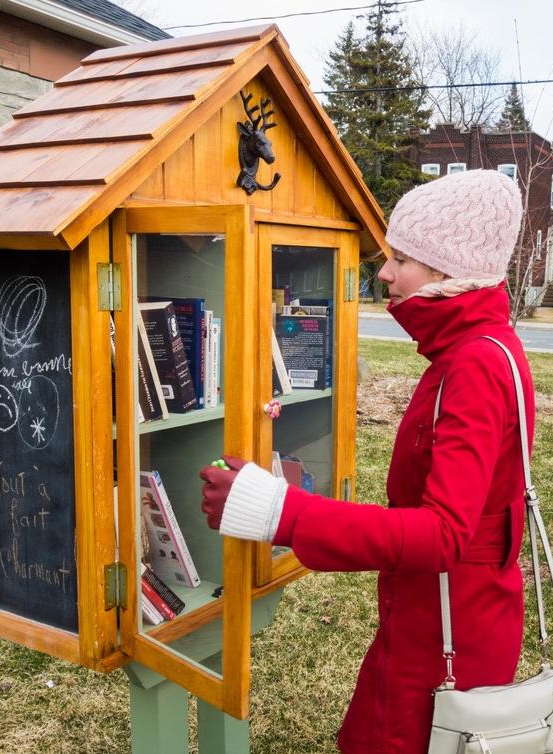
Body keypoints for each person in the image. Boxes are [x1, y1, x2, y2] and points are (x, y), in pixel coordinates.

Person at [200, 169, 534, 754]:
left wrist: (283, 511)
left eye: (400, 257)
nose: (382, 272)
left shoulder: (474, 366)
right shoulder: (480, 348)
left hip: (446, 636)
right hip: (440, 616)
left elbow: (442, 534)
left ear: (445, 271)